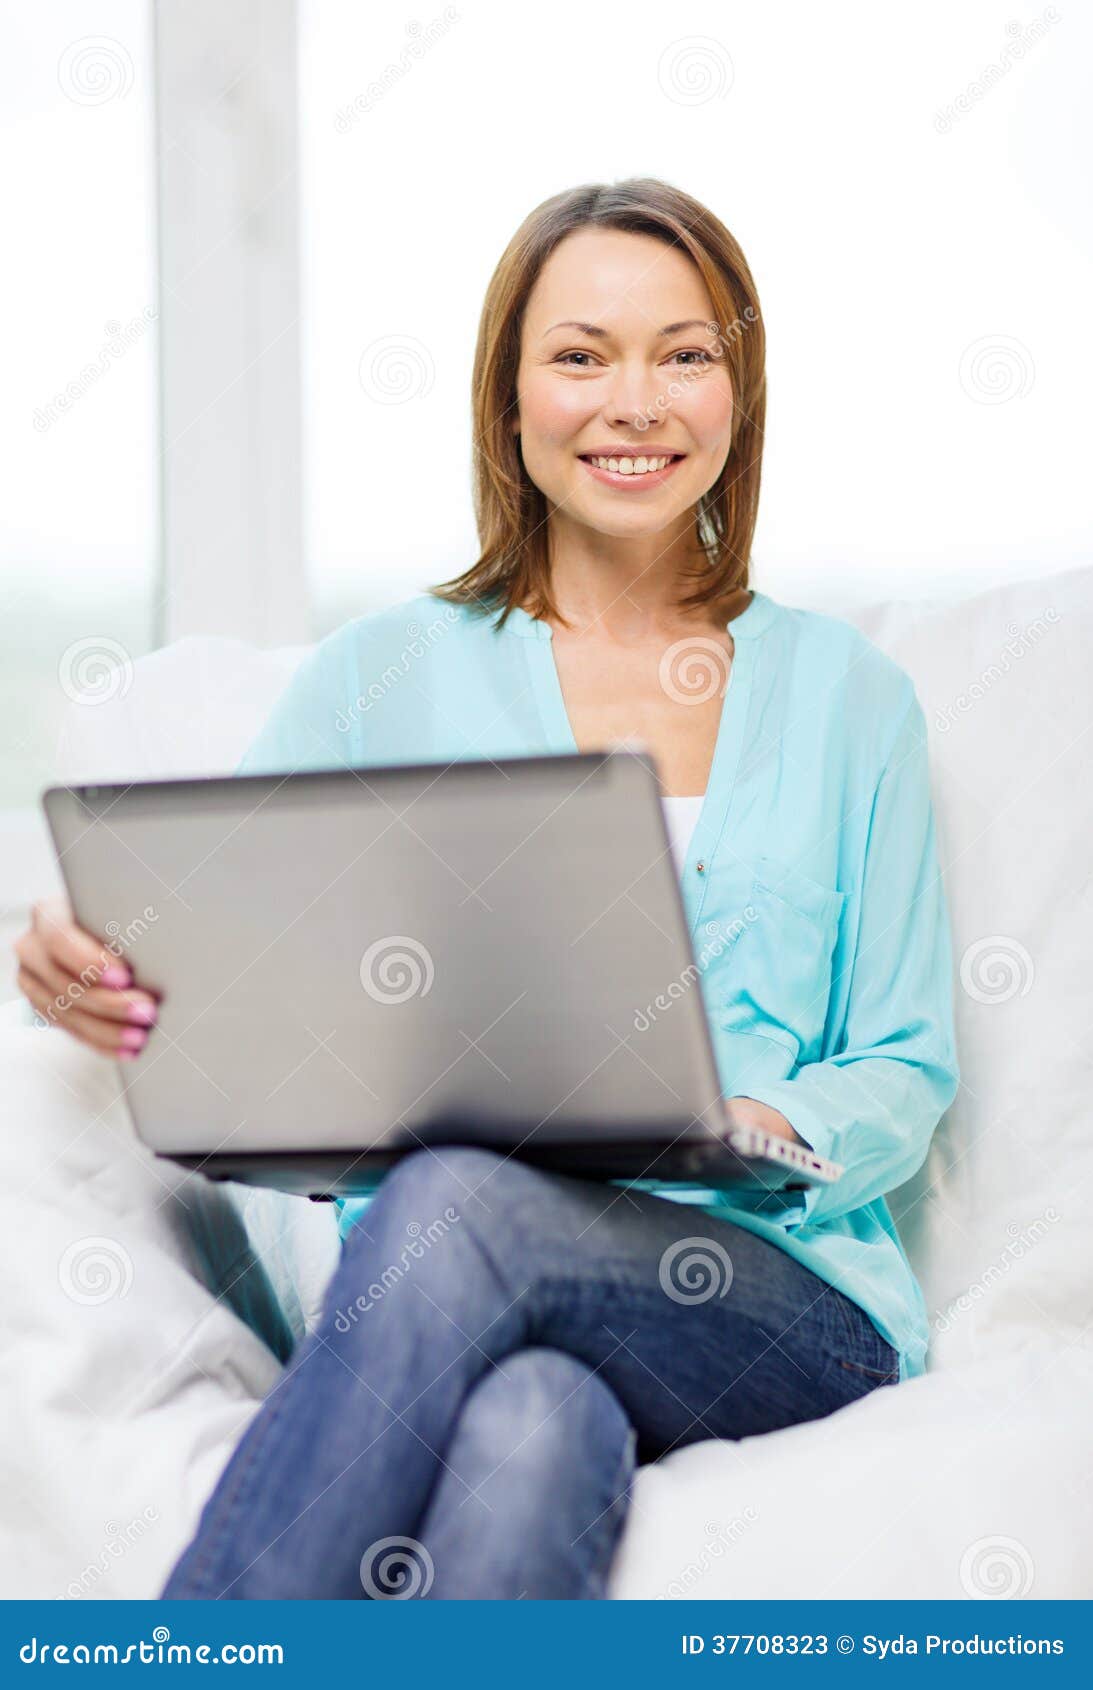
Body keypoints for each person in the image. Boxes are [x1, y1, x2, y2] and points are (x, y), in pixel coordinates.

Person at [14, 179, 959, 1600]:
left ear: (740, 393)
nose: (633, 402)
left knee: (459, 1203)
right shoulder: (379, 676)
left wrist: (781, 1121)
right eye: (580, 355)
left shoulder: (850, 699)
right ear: (509, 400)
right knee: (530, 1428)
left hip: (772, 1299)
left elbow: (904, 1058)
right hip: (450, 1292)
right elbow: (224, 955)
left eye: (684, 355)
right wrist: (86, 964)